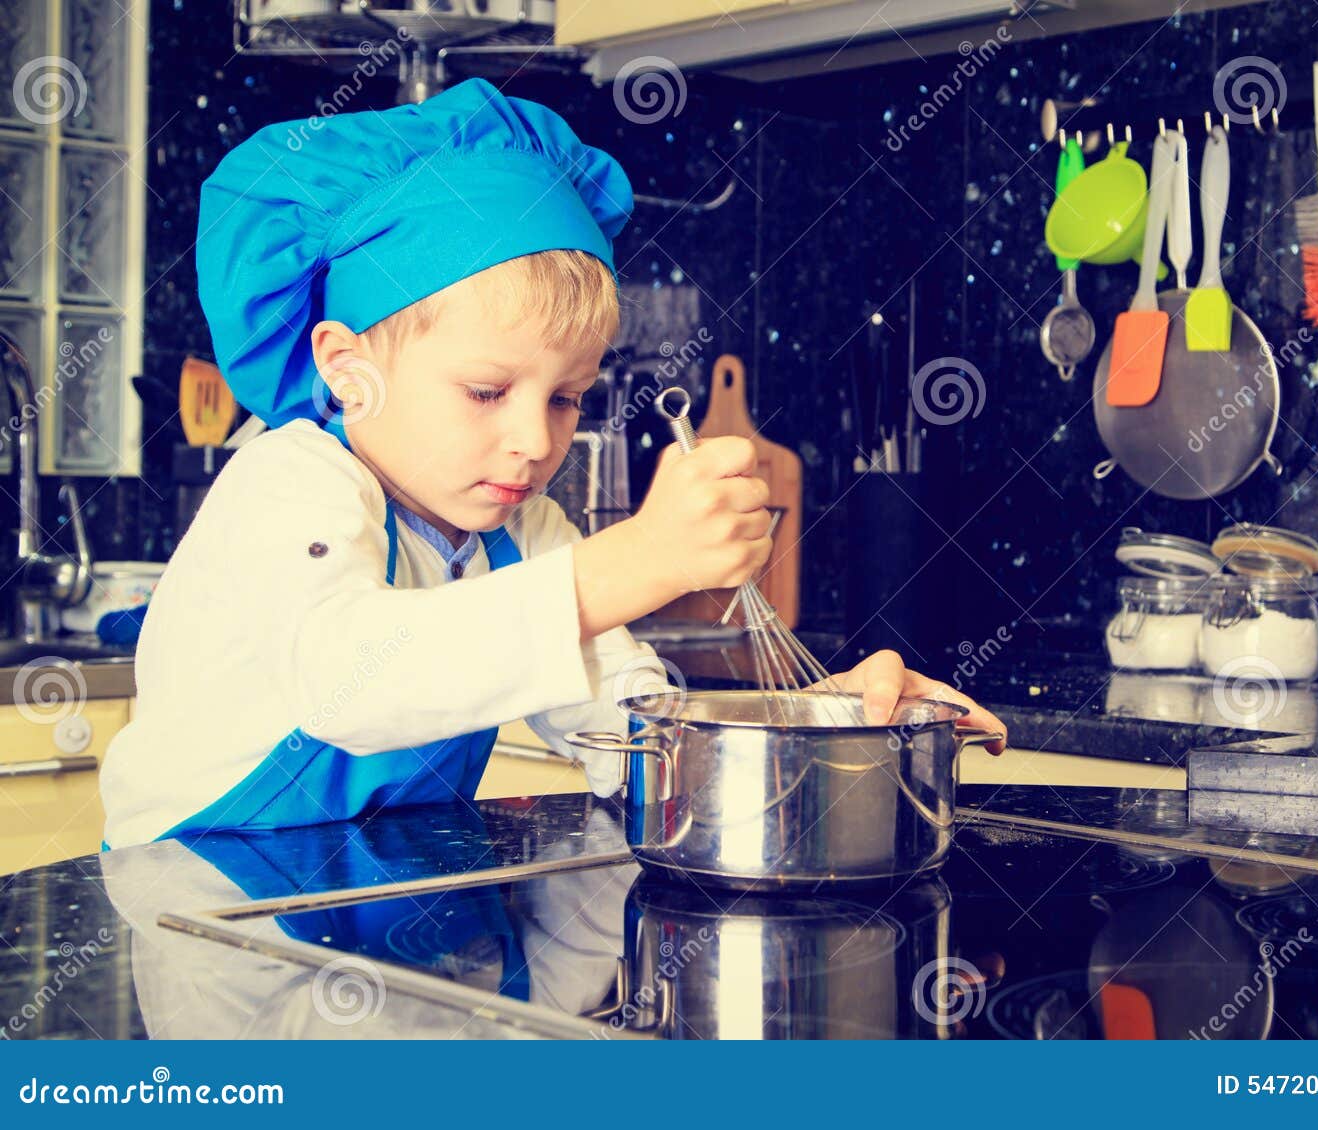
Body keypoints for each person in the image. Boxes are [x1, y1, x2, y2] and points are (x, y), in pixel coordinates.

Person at [99, 78, 1005, 850]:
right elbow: (353, 682)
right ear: (349, 372)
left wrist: (828, 720)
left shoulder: (521, 530)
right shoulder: (289, 480)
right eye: (488, 392)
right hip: (201, 923)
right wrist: (637, 561)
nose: (537, 442)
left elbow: (632, 729)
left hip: (381, 920)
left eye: (565, 398)